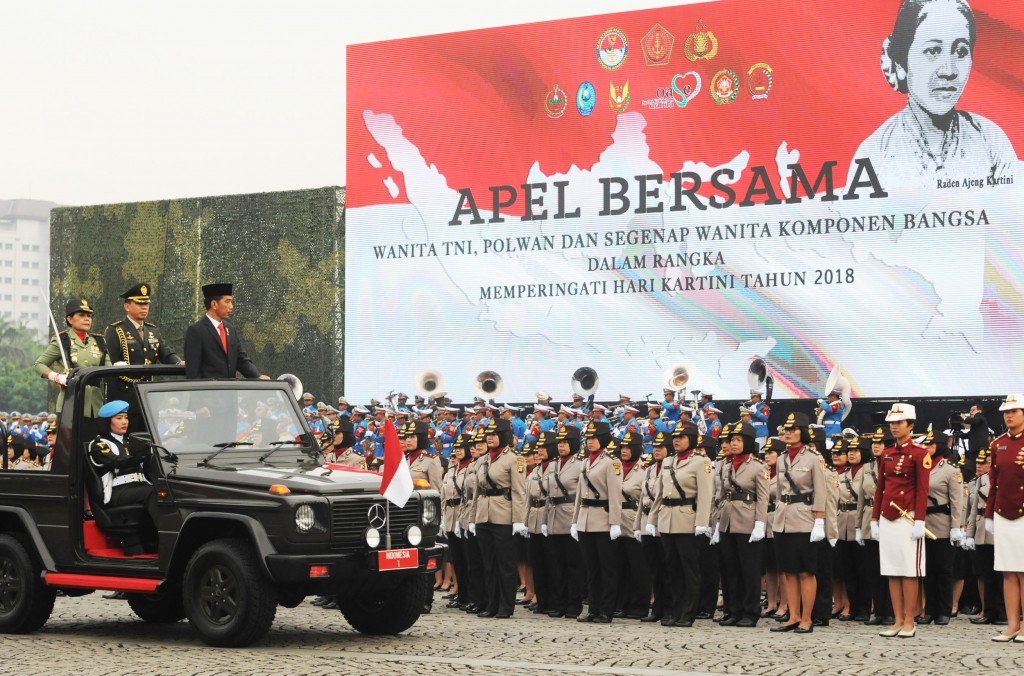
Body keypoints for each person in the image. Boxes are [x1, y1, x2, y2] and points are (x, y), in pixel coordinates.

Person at [856, 0, 1016, 188]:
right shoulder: (874, 155)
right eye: (932, 50)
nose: (949, 70)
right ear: (901, 63)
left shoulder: (991, 141)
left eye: (961, 51)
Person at [870, 403, 930, 638]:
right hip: (888, 516)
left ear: (911, 425)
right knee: (892, 571)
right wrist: (875, 518)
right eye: (891, 423)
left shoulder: (919, 452)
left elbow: (923, 489)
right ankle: (896, 619)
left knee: (909, 571)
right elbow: (880, 489)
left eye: (899, 423)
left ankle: (909, 620)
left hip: (908, 517)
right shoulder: (886, 453)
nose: (894, 427)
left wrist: (920, 520)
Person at [648, 421, 714, 627]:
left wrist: (702, 522)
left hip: (687, 519)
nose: (676, 440)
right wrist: (652, 519)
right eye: (675, 437)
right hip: (667, 518)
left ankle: (688, 612)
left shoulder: (700, 462)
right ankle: (674, 610)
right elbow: (659, 494)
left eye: (681, 437)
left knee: (689, 569)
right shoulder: (668, 461)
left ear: (691, 439)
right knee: (671, 568)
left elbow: (705, 495)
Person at [770, 412, 827, 634]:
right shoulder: (783, 458)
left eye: (793, 429)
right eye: (786, 429)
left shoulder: (814, 458)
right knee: (789, 571)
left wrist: (820, 521)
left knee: (806, 571)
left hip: (805, 519)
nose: (789, 433)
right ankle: (793, 616)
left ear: (802, 432)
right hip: (783, 518)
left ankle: (806, 618)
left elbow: (821, 491)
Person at [103, 282, 184, 428]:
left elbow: (165, 352)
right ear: (127, 306)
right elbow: (110, 366)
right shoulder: (116, 330)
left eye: (146, 304)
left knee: (149, 439)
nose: (144, 307)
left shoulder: (152, 330)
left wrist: (178, 362)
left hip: (147, 396)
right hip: (125, 398)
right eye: (140, 304)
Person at [712, 421, 769, 627]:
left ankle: (750, 612)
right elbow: (720, 496)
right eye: (732, 440)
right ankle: (733, 610)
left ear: (747, 442)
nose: (734, 444)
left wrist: (760, 524)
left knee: (749, 570)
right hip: (727, 520)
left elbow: (763, 498)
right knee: (731, 569)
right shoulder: (727, 465)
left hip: (748, 520)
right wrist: (717, 522)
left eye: (738, 440)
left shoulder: (758, 467)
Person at [471, 418, 527, 619]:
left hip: (504, 515)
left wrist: (518, 519)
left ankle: (506, 606)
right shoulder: (483, 459)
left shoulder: (514, 459)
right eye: (488, 434)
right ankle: (492, 604)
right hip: (483, 515)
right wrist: (472, 518)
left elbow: (519, 491)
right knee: (489, 564)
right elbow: (476, 492)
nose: (490, 438)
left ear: (503, 435)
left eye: (494, 434)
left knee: (505, 564)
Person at [87, 400, 159, 554]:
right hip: (117, 491)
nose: (124, 422)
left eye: (126, 418)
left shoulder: (133, 442)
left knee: (165, 490)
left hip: (139, 487)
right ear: (108, 422)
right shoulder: (99, 444)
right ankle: (169, 537)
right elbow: (117, 462)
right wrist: (141, 455)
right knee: (152, 492)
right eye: (119, 418)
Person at [572, 420, 623, 623]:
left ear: (602, 439)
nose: (590, 442)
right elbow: (579, 494)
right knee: (591, 569)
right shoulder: (586, 462)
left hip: (603, 519)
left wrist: (615, 522)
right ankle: (593, 608)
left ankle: (606, 609)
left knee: (606, 568)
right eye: (588, 438)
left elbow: (615, 495)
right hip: (586, 519)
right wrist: (575, 520)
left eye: (593, 438)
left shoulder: (611, 462)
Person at [983, 393, 1024, 642]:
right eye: (1006, 412)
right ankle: (1012, 625)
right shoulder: (997, 444)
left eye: (1014, 411)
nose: (1008, 415)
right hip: (1003, 512)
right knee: (1008, 571)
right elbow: (994, 483)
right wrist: (989, 514)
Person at [919, 428, 966, 625]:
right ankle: (929, 609)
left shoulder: (950, 469)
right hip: (924, 523)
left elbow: (957, 501)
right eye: (926, 444)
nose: (927, 447)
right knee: (927, 569)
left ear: (939, 446)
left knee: (944, 569)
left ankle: (944, 610)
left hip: (943, 523)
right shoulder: (922, 467)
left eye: (931, 444)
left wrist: (957, 526)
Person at [34, 299, 110, 417]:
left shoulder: (99, 341)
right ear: (70, 319)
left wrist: (117, 367)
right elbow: (39, 364)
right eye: (81, 315)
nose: (87, 319)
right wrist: (57, 377)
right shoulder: (62, 340)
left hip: (95, 406)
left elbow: (108, 368)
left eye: (89, 316)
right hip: (71, 402)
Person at [183, 283, 268, 380]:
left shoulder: (230, 329)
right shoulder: (196, 331)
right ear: (214, 304)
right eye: (227, 302)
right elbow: (193, 372)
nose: (231, 306)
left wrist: (257, 376)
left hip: (230, 392)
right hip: (209, 393)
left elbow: (240, 359)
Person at [544, 425, 585, 619]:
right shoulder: (553, 465)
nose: (561, 446)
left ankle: (573, 604)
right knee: (556, 565)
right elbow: (548, 494)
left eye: (565, 442)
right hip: (553, 516)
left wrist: (577, 521)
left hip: (570, 517)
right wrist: (544, 520)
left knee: (573, 565)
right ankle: (558, 602)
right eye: (559, 442)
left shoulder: (580, 464)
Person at [614, 430, 650, 619]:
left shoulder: (644, 469)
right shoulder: (616, 467)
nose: (625, 450)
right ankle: (621, 603)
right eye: (623, 447)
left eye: (629, 447)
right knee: (619, 566)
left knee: (638, 567)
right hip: (615, 521)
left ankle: (639, 605)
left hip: (633, 520)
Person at [636, 432, 669, 622]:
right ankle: (657, 608)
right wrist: (638, 524)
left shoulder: (670, 468)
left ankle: (668, 607)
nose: (657, 450)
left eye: (661, 447)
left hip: (662, 521)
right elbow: (643, 498)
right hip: (647, 522)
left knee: (666, 568)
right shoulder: (649, 470)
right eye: (655, 447)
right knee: (654, 568)